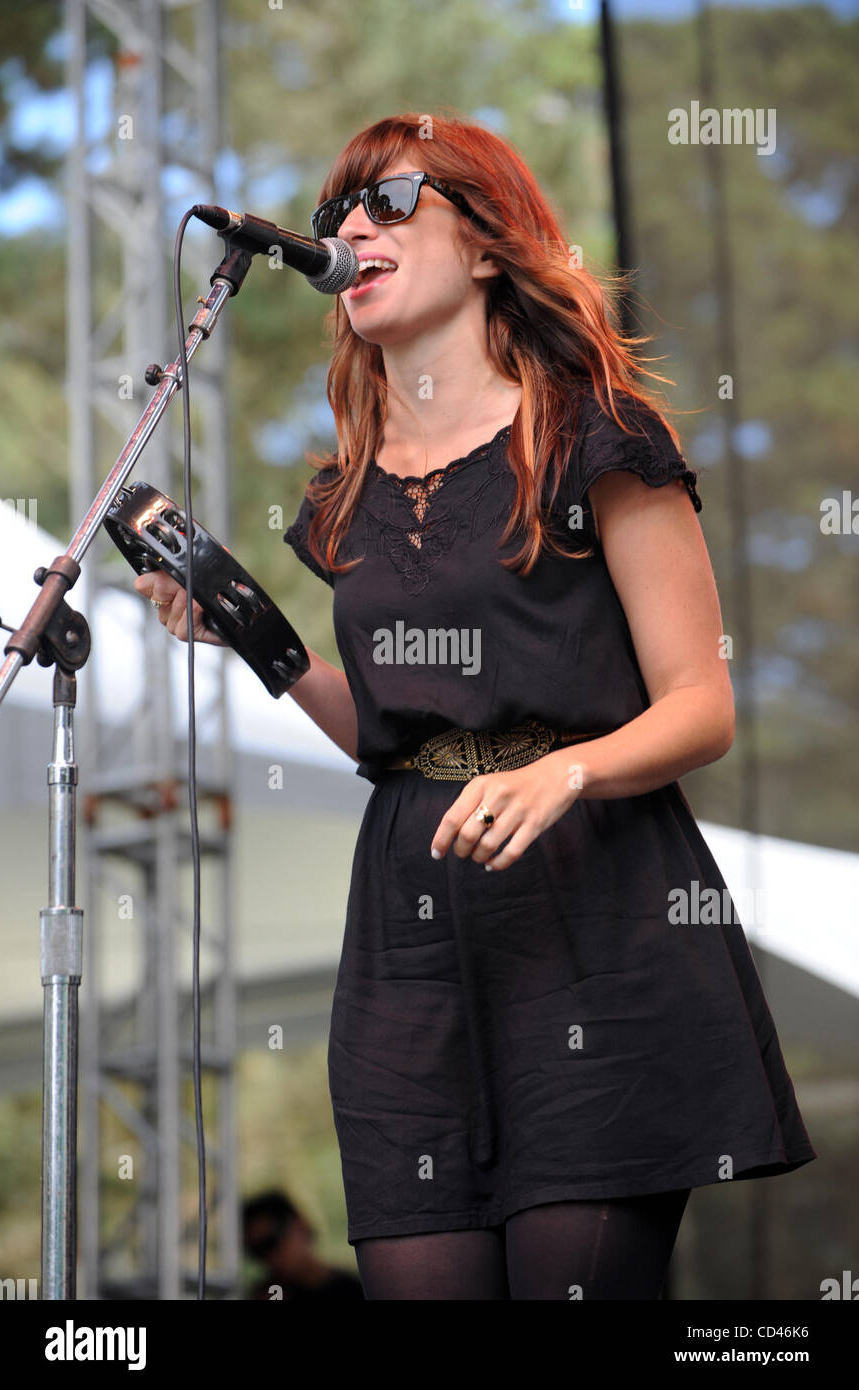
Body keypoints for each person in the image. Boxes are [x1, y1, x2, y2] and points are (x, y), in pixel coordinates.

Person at [135, 111, 816, 1300]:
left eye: (391, 200)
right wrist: (260, 641)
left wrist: (566, 771)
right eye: (340, 207)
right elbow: (397, 741)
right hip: (410, 932)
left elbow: (700, 705)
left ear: (491, 245)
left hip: (595, 910)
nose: (350, 226)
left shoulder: (596, 434)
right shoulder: (344, 493)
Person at [241, 1190, 363, 1300]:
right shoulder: (272, 1294)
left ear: (299, 1224)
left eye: (271, 1241)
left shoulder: (356, 1289)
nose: (272, 1256)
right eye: (257, 1251)